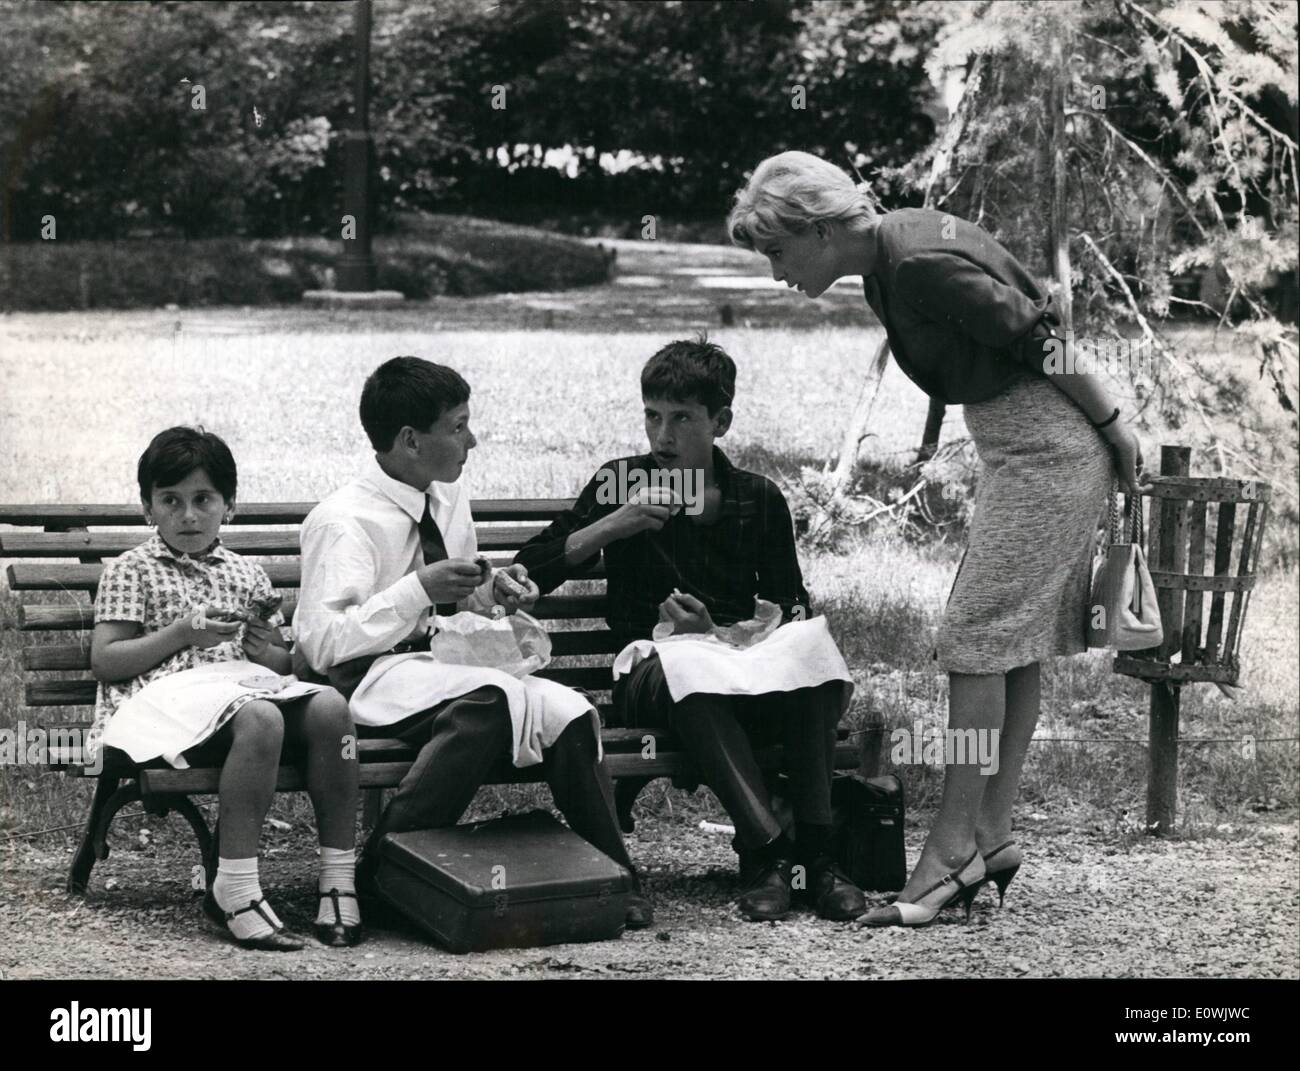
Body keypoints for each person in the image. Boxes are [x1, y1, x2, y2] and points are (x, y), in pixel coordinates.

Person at [727, 150, 1147, 926]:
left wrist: (1114, 425)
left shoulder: (912, 259)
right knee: (1006, 640)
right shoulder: (894, 254)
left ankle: (951, 850)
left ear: (818, 230)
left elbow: (1038, 333)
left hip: (1049, 447)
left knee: (973, 638)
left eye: (778, 252)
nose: (775, 272)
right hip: (1021, 446)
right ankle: (989, 834)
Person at [293, 356, 652, 929]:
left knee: (571, 712)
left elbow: (460, 599)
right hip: (369, 677)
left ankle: (614, 877)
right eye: (458, 427)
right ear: (411, 440)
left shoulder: (446, 495)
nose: (473, 440)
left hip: (441, 664)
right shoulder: (343, 520)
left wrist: (495, 590)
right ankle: (380, 871)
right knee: (488, 703)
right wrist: (416, 590)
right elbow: (323, 643)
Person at [515, 338, 866, 923]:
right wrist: (612, 525)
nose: (663, 436)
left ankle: (817, 861)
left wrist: (723, 632)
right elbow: (534, 568)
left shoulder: (757, 497)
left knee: (814, 656)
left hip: (743, 667)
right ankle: (773, 849)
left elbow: (790, 604)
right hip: (648, 668)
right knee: (688, 664)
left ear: (720, 421)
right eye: (653, 416)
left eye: (682, 418)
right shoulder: (620, 482)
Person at [89, 427, 361, 951]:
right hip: (163, 712)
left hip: (238, 702)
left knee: (330, 706)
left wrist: (265, 649)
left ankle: (338, 877)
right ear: (148, 508)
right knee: (262, 715)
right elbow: (106, 660)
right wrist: (181, 633)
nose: (188, 515)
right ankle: (233, 890)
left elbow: (281, 663)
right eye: (171, 501)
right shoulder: (131, 571)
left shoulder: (247, 574)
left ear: (228, 507)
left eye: (203, 500)